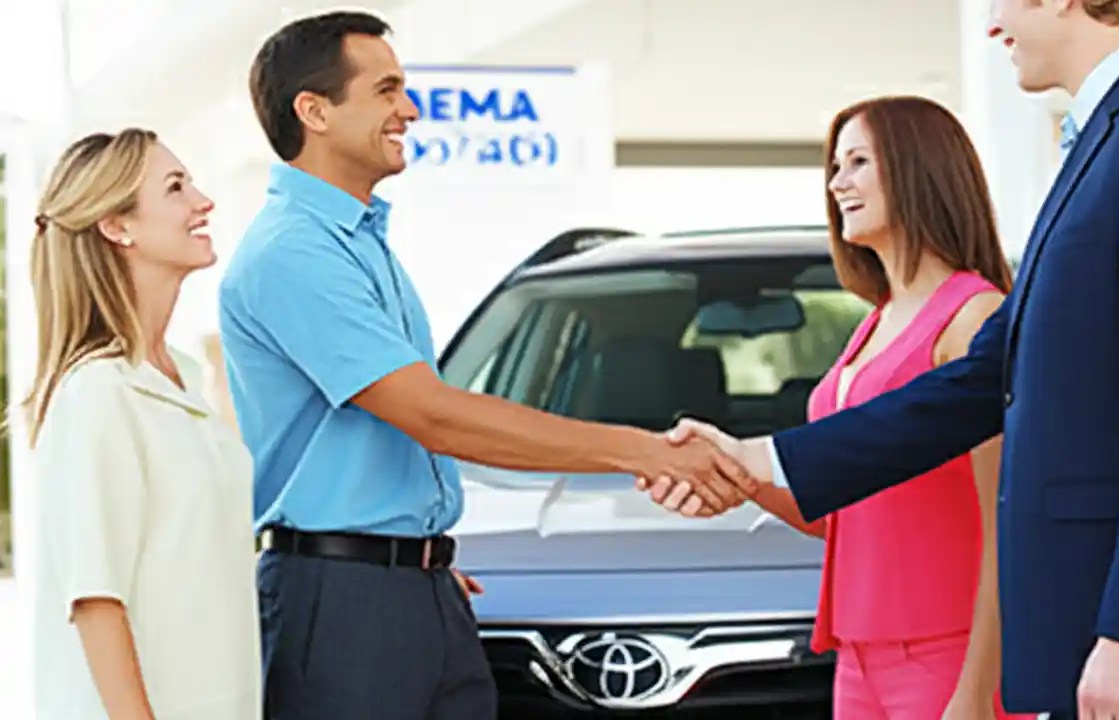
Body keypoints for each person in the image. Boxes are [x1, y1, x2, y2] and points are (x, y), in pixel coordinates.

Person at [647, 1, 1119, 718]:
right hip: (1086, 641)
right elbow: (983, 380)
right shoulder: (1108, 142)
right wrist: (761, 459)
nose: (993, 25)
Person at [217, 10, 755, 720]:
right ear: (313, 111)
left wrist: (418, 561)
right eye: (386, 90)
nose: (409, 109)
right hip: (347, 603)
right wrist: (646, 451)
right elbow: (434, 416)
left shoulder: (360, 241)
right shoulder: (295, 253)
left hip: (418, 589)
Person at [663, 96, 1033, 720]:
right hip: (858, 660)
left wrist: (976, 691)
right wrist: (732, 471)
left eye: (858, 162)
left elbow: (1008, 526)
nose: (838, 183)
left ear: (919, 170)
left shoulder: (974, 317)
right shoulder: (875, 324)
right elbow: (848, 519)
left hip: (951, 656)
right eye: (836, 166)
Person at [27, 129, 259, 719]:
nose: (204, 202)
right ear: (117, 225)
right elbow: (96, 599)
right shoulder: (99, 394)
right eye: (176, 187)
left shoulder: (178, 380)